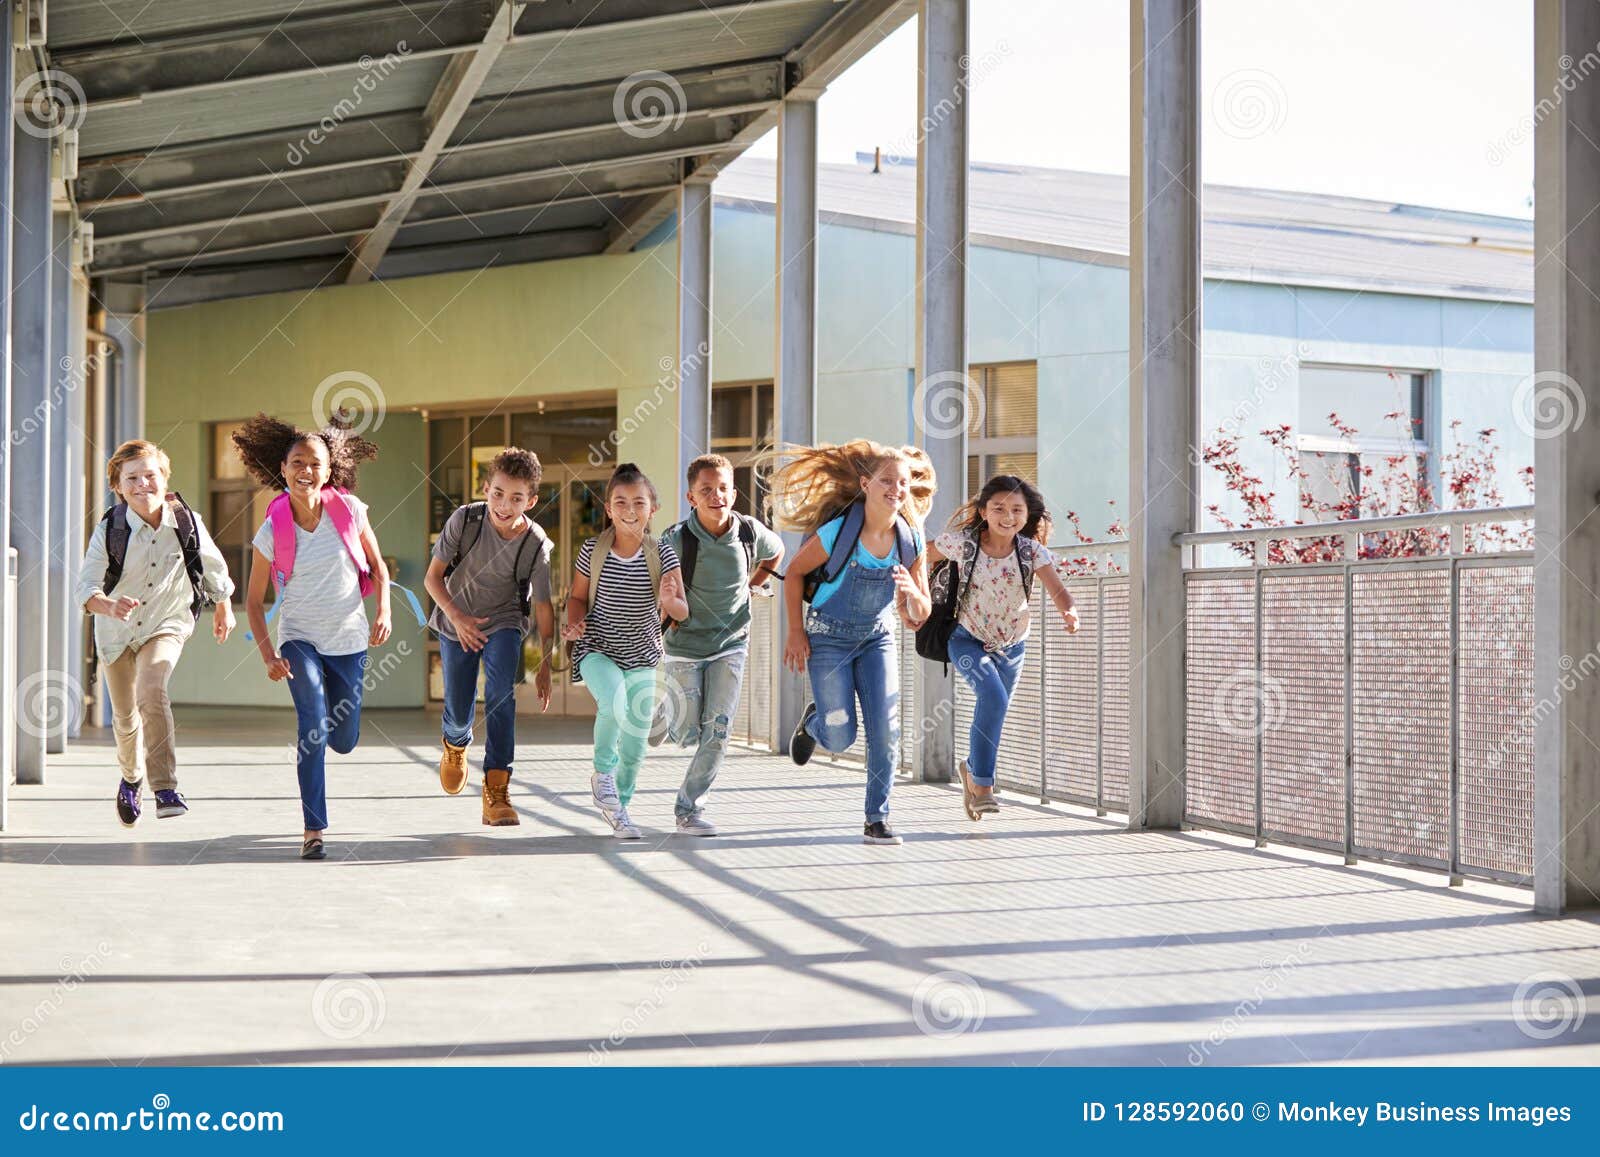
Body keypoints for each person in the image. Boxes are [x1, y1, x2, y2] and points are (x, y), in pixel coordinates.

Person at [235, 414, 392, 861]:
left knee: (342, 739)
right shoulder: (272, 529)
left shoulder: (350, 511)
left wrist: (384, 610)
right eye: (298, 462)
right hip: (298, 638)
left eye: (315, 463)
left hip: (348, 639)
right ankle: (313, 829)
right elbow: (253, 602)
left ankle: (333, 758)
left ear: (329, 470)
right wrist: (269, 655)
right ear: (282, 469)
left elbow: (378, 568)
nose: (306, 470)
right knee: (312, 726)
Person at [766, 439, 934, 846]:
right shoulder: (839, 532)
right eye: (886, 480)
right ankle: (815, 723)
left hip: (877, 639)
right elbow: (793, 574)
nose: (896, 489)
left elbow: (922, 610)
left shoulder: (910, 540)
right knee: (841, 736)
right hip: (828, 638)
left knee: (886, 731)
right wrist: (795, 631)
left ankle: (877, 818)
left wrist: (913, 592)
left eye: (903, 482)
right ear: (865, 484)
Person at [78, 439, 237, 827]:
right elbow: (86, 588)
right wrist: (108, 605)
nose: (142, 484)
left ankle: (165, 788)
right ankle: (131, 777)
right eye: (132, 478)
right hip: (116, 631)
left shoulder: (186, 521)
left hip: (166, 622)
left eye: (150, 475)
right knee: (125, 718)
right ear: (118, 486)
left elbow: (214, 567)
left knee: (152, 690)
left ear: (164, 479)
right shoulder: (110, 529)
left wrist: (223, 605)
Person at [926, 475, 1079, 819]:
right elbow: (919, 555)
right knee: (993, 698)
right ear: (983, 511)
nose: (1007, 516)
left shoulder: (1031, 552)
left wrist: (1069, 612)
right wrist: (910, 593)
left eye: (1016, 510)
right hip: (966, 639)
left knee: (994, 708)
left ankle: (971, 769)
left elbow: (1058, 590)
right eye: (998, 508)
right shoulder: (963, 544)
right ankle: (983, 787)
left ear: (1026, 515)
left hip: (1012, 646)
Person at [424, 447, 556, 827]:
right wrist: (458, 618)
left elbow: (544, 606)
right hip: (456, 620)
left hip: (504, 621)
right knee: (458, 706)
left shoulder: (536, 544)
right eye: (498, 493)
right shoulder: (465, 520)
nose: (504, 505)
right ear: (486, 488)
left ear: (530, 501)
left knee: (500, 693)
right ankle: (455, 742)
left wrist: (545, 664)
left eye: (516, 498)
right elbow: (433, 578)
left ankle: (497, 787)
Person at [655, 454, 785, 836]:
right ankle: (666, 712)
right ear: (691, 497)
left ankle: (688, 809)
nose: (717, 496)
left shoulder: (748, 532)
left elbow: (776, 551)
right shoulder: (675, 539)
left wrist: (752, 584)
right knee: (687, 732)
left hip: (731, 643)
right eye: (707, 490)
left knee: (718, 731)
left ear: (734, 492)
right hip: (684, 645)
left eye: (724, 488)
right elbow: (657, 586)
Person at [562, 463, 688, 839]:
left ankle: (620, 808)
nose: (629, 509)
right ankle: (602, 774)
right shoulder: (593, 550)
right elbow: (577, 597)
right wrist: (575, 623)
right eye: (620, 501)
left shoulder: (663, 553)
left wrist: (671, 600)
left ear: (652, 509)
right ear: (608, 508)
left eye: (638, 502)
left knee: (634, 744)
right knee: (614, 699)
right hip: (597, 648)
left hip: (644, 656)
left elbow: (682, 610)